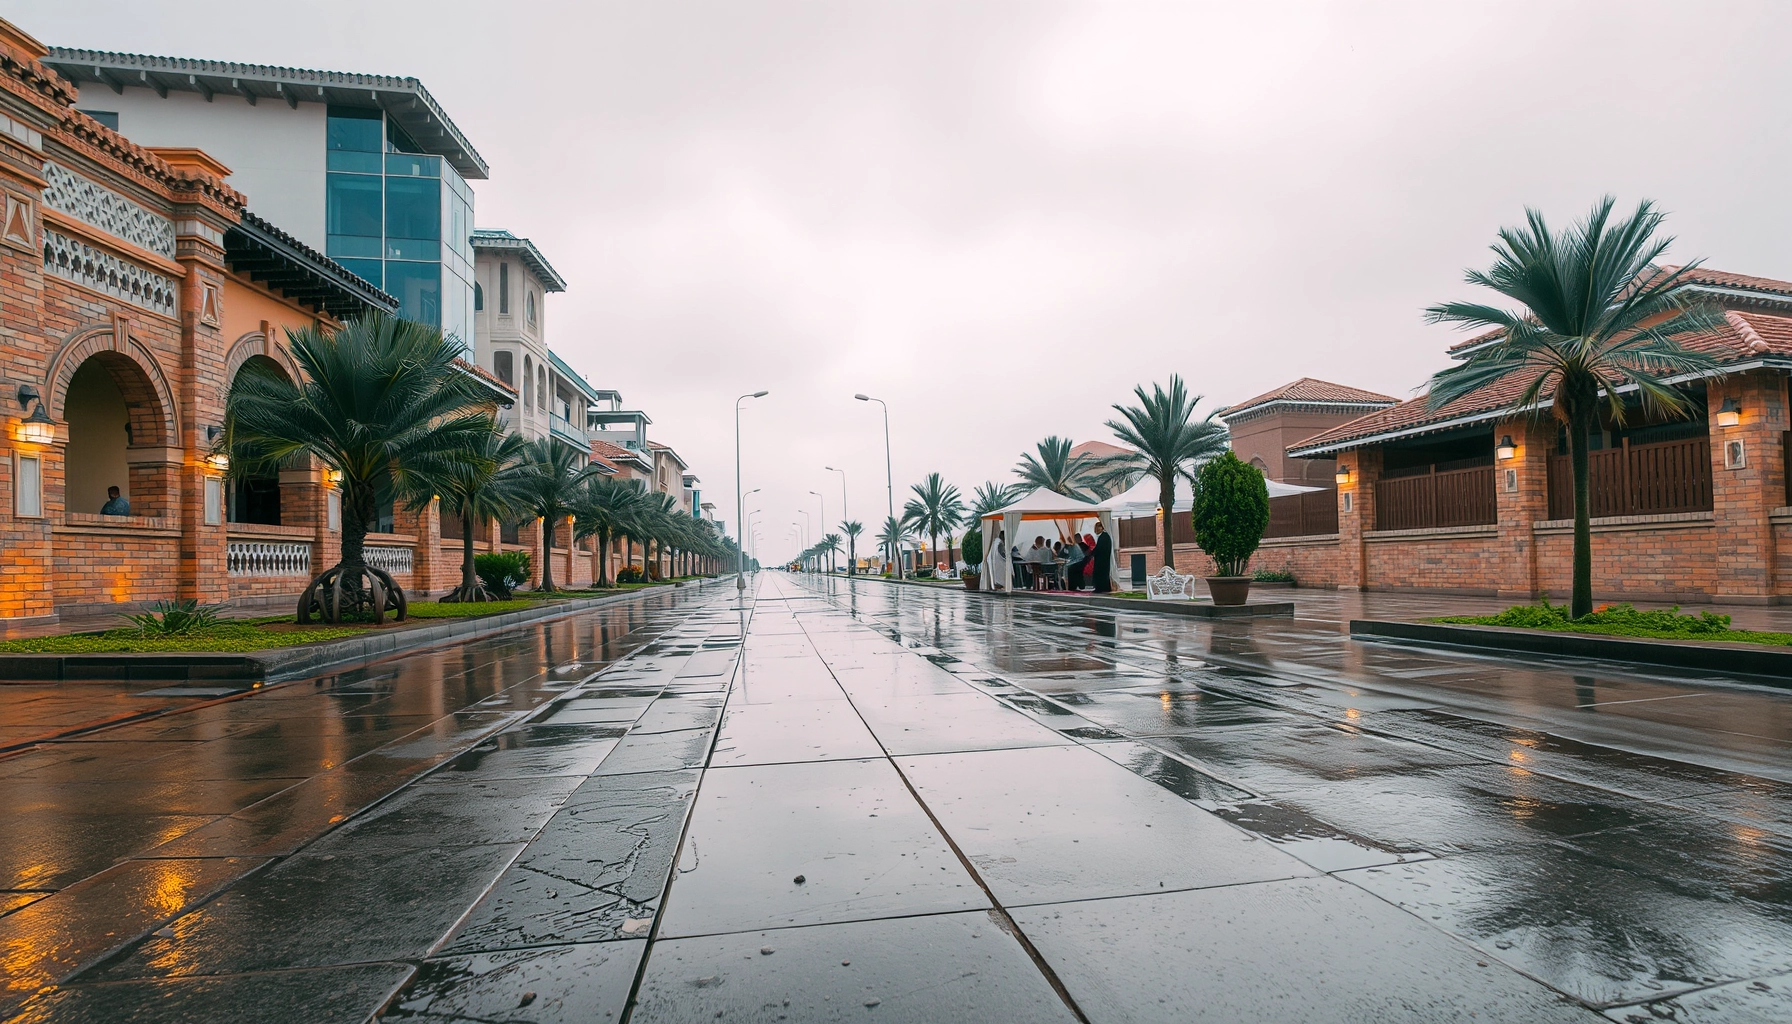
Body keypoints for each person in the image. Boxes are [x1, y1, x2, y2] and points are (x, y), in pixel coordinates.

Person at [1092, 520, 1115, 592]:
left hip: (1102, 560)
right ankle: (1103, 588)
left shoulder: (1104, 537)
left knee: (1101, 574)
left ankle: (1100, 588)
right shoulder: (1103, 536)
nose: (1096, 530)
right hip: (1102, 560)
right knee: (1103, 574)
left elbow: (1099, 548)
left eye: (1098, 528)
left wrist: (1093, 553)